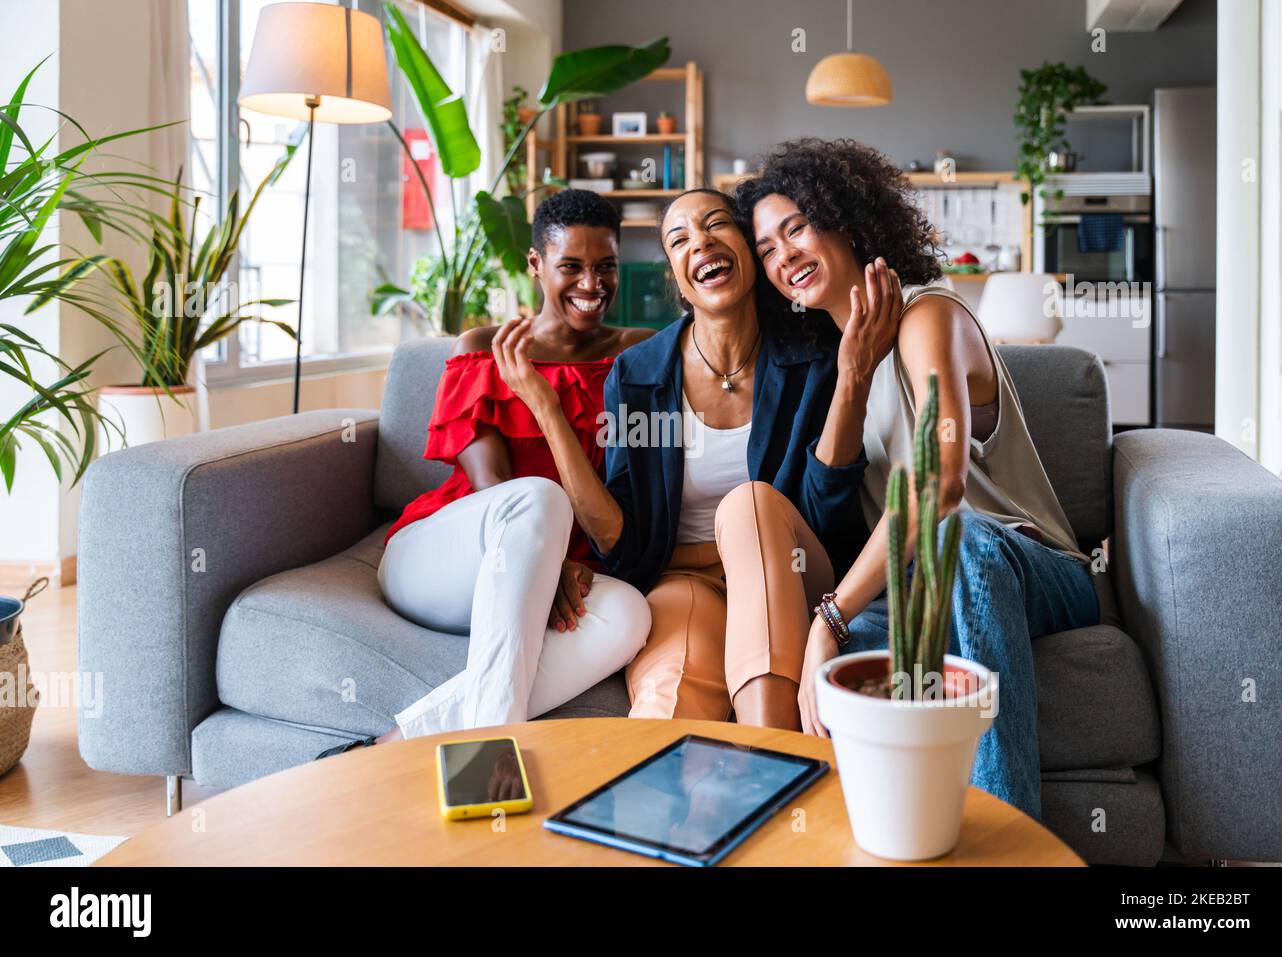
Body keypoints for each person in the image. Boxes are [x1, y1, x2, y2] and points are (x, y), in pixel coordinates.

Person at [739, 139, 1101, 818]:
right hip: (920, 589)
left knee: (956, 540)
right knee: (803, 656)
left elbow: (940, 488)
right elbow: (826, 510)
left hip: (1029, 566)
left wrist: (834, 614)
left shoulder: (928, 316)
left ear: (845, 220)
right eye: (765, 248)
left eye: (796, 228)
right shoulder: (837, 361)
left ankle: (1012, 851)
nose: (782, 255)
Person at [495, 188, 885, 730]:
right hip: (685, 577)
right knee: (668, 698)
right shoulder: (638, 374)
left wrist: (852, 379)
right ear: (677, 277)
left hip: (794, 570)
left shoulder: (814, 354)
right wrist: (546, 408)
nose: (699, 242)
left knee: (747, 506)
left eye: (717, 225)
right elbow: (620, 542)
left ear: (749, 250)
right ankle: (651, 802)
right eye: (678, 239)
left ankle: (771, 759)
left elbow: (829, 515)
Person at [368, 189, 654, 743]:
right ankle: (488, 764)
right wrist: (545, 566)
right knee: (537, 495)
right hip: (444, 562)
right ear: (535, 265)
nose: (592, 285)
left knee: (629, 615)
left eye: (606, 267)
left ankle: (394, 744)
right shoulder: (484, 347)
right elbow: (490, 489)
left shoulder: (637, 356)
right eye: (571, 265)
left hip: (552, 577)